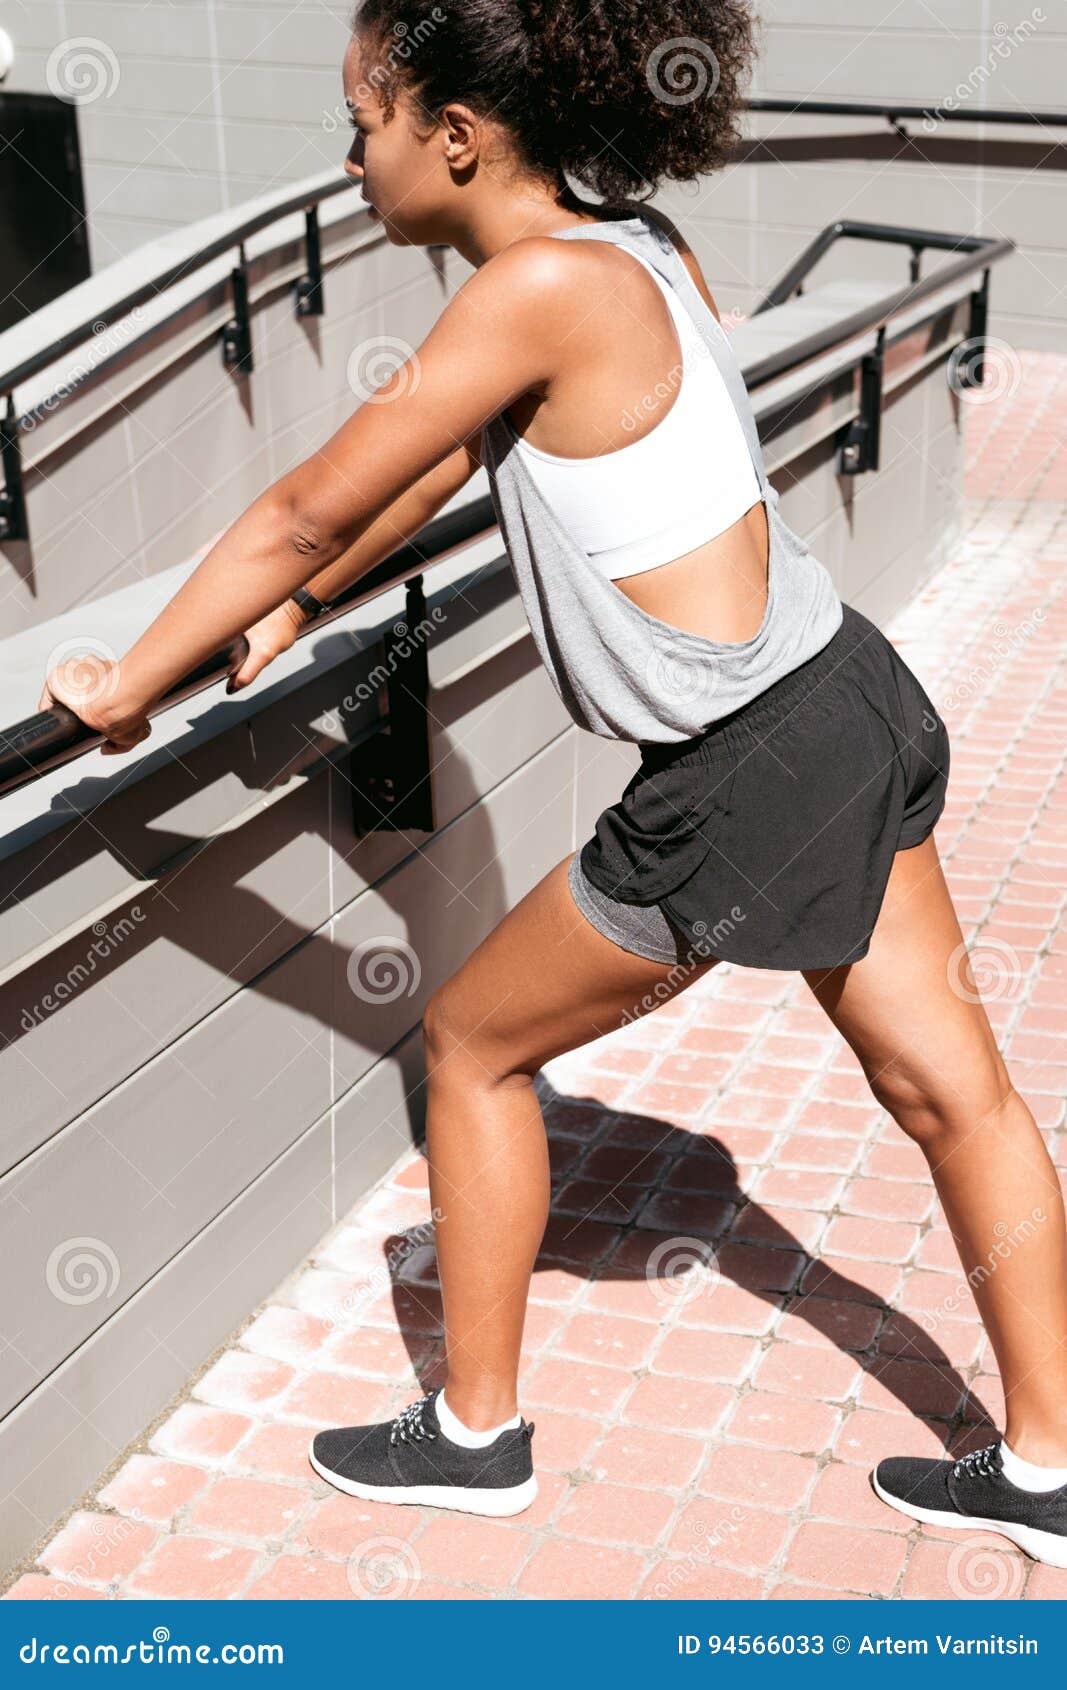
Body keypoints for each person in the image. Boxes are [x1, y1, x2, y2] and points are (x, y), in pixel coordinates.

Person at [40, 1, 1067, 1567]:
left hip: (742, 769)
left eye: (365, 122)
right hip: (845, 693)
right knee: (955, 1091)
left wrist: (129, 683)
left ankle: (473, 1434)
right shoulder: (630, 245)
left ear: (455, 136)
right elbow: (454, 460)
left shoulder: (529, 290)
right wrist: (304, 605)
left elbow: (311, 502)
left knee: (468, 1043)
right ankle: (1051, 1462)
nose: (351, 157)